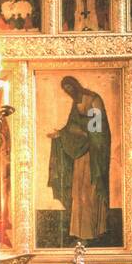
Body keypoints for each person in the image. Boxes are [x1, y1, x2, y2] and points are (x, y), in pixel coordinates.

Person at [47, 76, 111, 243]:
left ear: (76, 85)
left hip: (93, 154)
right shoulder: (76, 103)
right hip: (80, 152)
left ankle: (92, 232)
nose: (69, 92)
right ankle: (79, 232)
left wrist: (80, 131)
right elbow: (71, 126)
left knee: (90, 192)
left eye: (70, 88)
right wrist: (61, 134)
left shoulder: (93, 99)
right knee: (78, 191)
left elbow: (97, 130)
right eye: (66, 90)